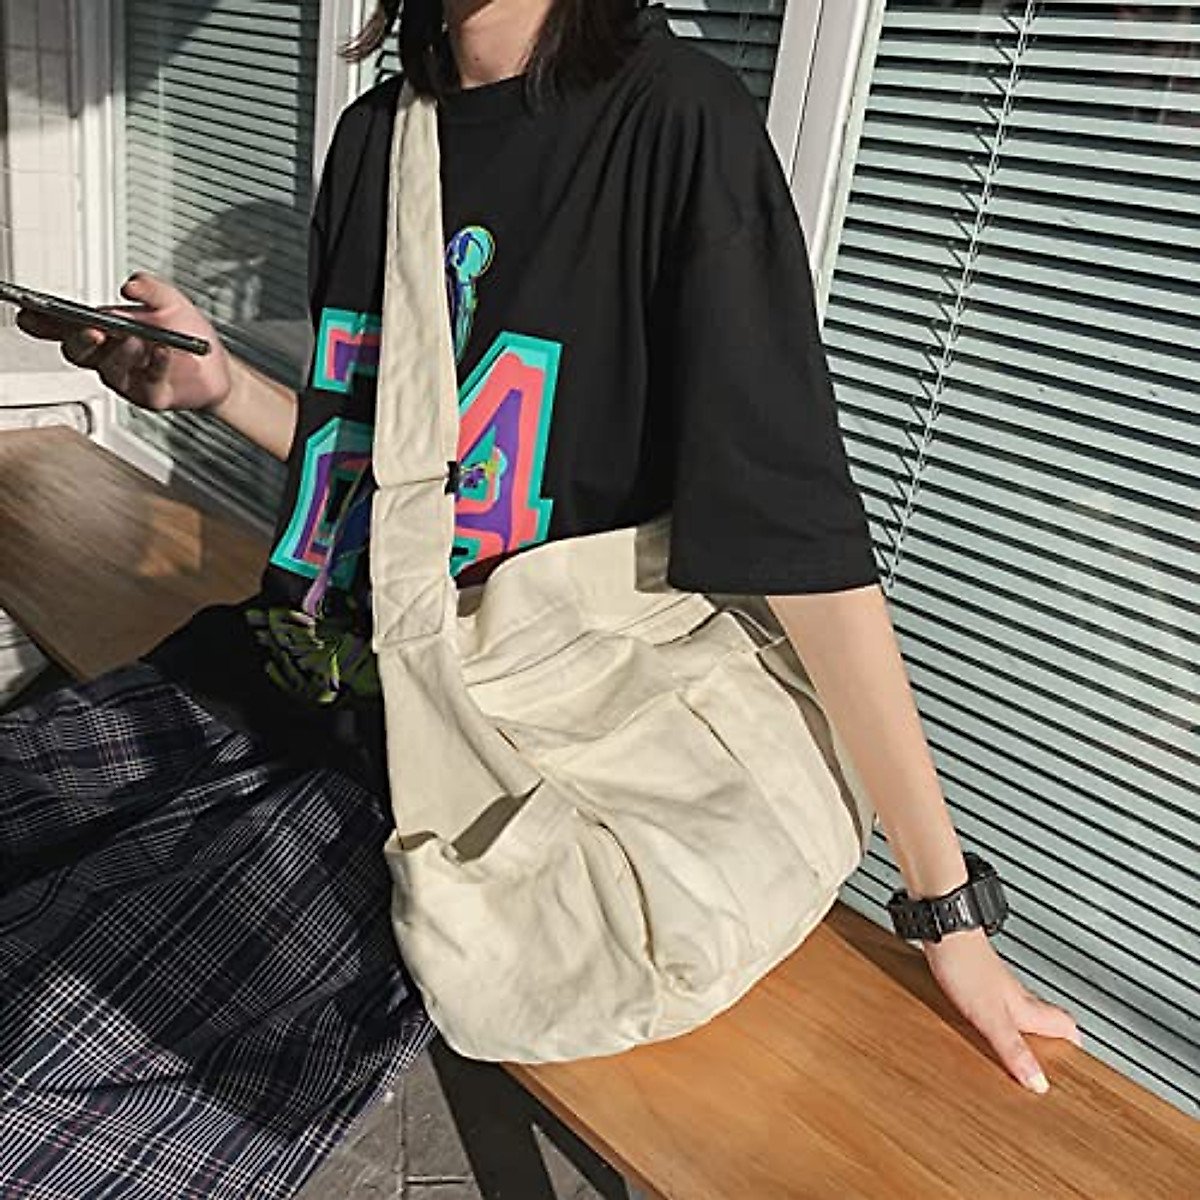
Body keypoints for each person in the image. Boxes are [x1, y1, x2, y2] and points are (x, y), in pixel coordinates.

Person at [2, 1, 1081, 1195]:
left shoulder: (674, 124)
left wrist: (945, 907)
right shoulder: (377, 136)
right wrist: (222, 392)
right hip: (266, 675)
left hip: (453, 776)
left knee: (41, 1083)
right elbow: (399, 474)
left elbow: (800, 540)